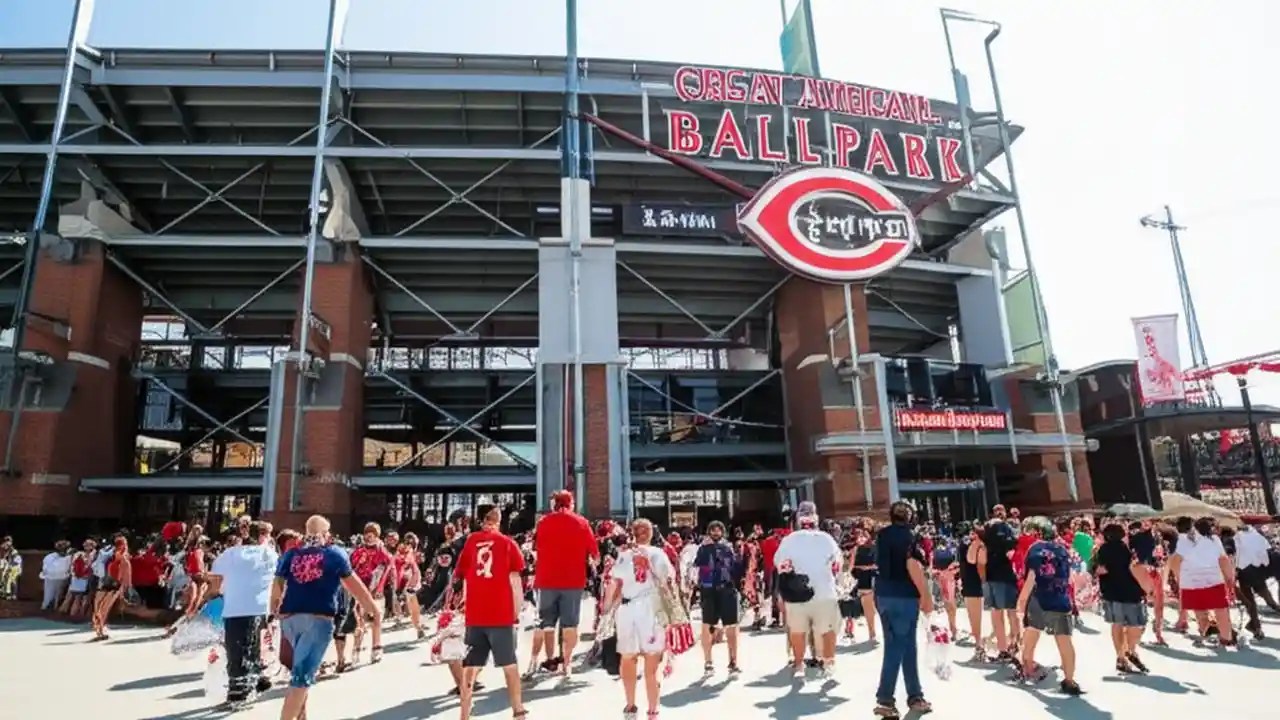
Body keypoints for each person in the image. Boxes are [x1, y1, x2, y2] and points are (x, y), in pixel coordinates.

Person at [270, 515, 380, 720]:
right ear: (326, 532)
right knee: (301, 680)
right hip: (318, 620)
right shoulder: (334, 554)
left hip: (289, 620)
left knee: (299, 675)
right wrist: (373, 610)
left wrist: (273, 613)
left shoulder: (290, 554)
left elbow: (277, 587)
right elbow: (355, 587)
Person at [453, 507, 527, 720]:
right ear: (497, 520)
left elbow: (464, 576)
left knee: (470, 667)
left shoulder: (471, 542)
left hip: (475, 614)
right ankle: (518, 710)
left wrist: (464, 604)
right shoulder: (507, 544)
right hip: (500, 613)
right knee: (509, 665)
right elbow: (515, 581)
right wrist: (517, 612)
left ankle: (464, 714)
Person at [605, 518, 675, 720]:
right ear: (651, 534)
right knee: (652, 665)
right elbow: (668, 582)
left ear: (633, 534)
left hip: (627, 610)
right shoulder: (659, 554)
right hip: (651, 610)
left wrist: (606, 611)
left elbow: (614, 585)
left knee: (628, 658)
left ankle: (630, 706)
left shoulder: (623, 556)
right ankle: (653, 710)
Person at [872, 501, 932, 718]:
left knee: (906, 645)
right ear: (910, 517)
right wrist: (927, 597)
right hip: (905, 595)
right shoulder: (911, 536)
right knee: (897, 647)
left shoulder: (882, 535)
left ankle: (915, 695)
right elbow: (913, 565)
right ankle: (885, 699)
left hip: (883, 594)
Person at [531, 489, 598, 681]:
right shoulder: (582, 522)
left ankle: (549, 659)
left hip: (546, 579)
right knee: (570, 624)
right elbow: (594, 553)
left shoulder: (543, 522)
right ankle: (567, 664)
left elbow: (536, 548)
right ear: (571, 503)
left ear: (555, 503)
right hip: (573, 581)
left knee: (547, 623)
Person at [210, 521, 279, 707]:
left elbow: (215, 575)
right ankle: (254, 683)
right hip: (259, 607)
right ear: (263, 536)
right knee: (253, 646)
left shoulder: (230, 554)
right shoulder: (269, 554)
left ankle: (237, 693)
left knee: (236, 650)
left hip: (234, 608)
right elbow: (277, 578)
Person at [1014, 516, 1083, 695]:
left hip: (1040, 599)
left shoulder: (1035, 549)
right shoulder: (1063, 550)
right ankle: (1069, 680)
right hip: (1060, 598)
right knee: (1064, 640)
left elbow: (1031, 578)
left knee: (1032, 632)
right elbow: (1070, 577)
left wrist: (1021, 603)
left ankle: (1026, 667)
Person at [774, 501, 841, 677]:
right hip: (825, 592)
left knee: (798, 631)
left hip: (797, 595)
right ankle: (829, 662)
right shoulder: (827, 539)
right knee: (828, 629)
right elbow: (837, 565)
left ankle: (799, 665)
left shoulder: (788, 540)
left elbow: (780, 565)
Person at [1169, 516, 1236, 647]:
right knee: (1221, 611)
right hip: (1213, 580)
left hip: (1191, 582)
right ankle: (1226, 639)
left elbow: (1175, 561)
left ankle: (1206, 631)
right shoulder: (1215, 540)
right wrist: (1230, 579)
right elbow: (1223, 560)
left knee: (1200, 611)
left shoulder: (1184, 541)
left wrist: (1179, 576)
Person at [694, 520, 742, 674]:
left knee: (732, 626)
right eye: (712, 530)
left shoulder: (728, 548)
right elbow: (697, 566)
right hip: (709, 591)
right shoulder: (702, 549)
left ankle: (733, 661)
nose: (715, 533)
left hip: (727, 589)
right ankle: (708, 662)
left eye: (718, 530)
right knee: (707, 625)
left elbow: (736, 567)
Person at [979, 517, 1021, 661]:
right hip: (1008, 577)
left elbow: (982, 562)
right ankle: (1015, 644)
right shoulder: (1009, 539)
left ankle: (1002, 649)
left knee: (996, 614)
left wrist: (984, 580)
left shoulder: (985, 540)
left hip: (991, 578)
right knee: (1012, 612)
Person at [91, 535, 132, 641]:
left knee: (99, 606)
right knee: (105, 607)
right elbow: (126, 576)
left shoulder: (110, 556)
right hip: (115, 584)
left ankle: (98, 628)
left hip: (105, 582)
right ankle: (101, 628)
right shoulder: (124, 558)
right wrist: (124, 590)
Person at [39, 540, 72, 611]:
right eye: (60, 548)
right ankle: (45, 608)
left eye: (64, 548)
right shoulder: (49, 557)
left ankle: (54, 608)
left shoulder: (69, 557)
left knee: (58, 596)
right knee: (48, 595)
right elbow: (45, 568)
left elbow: (69, 568)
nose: (62, 550)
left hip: (62, 579)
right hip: (50, 578)